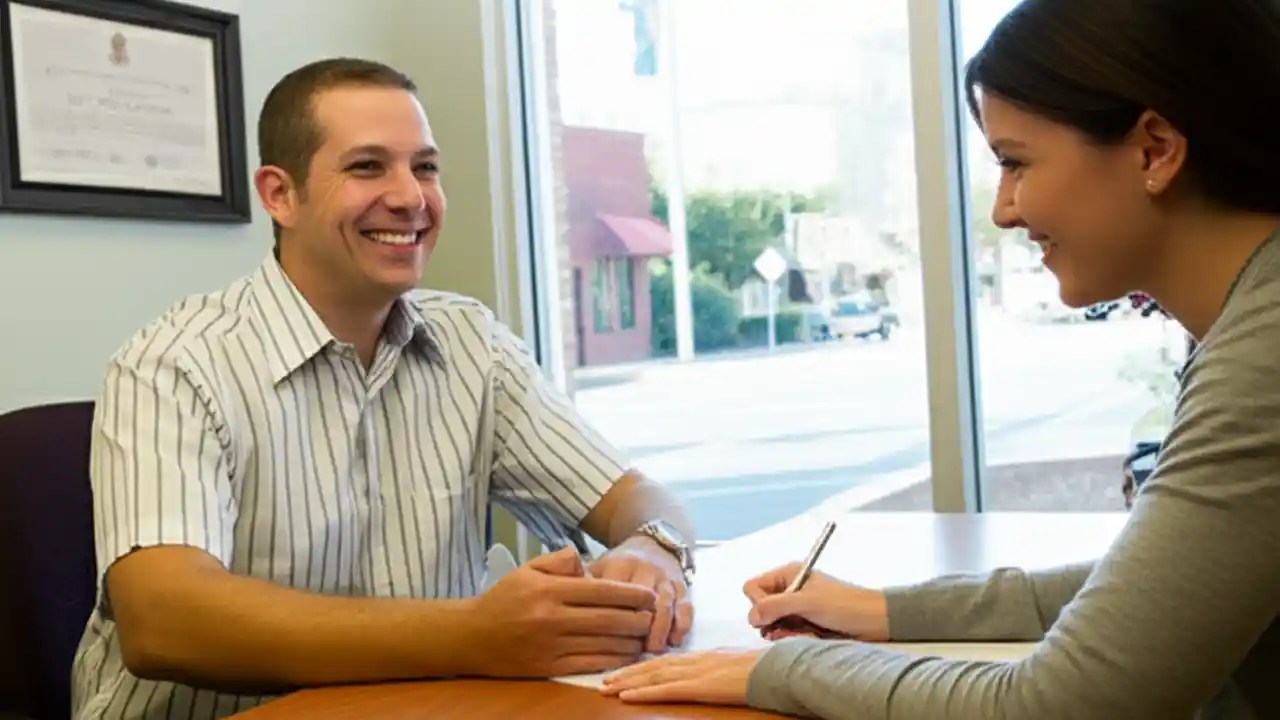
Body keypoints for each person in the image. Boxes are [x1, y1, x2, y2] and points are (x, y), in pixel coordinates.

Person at [602, 0, 1280, 717]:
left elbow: (1061, 706)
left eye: (1015, 163)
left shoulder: (1260, 358)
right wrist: (883, 611)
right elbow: (1170, 587)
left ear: (1154, 150)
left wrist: (782, 671)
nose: (1004, 210)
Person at [71, 57, 698, 720]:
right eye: (368, 166)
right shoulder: (173, 364)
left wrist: (652, 548)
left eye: (424, 166)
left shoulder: (472, 344)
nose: (410, 197)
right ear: (280, 195)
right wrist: (479, 634)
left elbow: (635, 497)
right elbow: (165, 621)